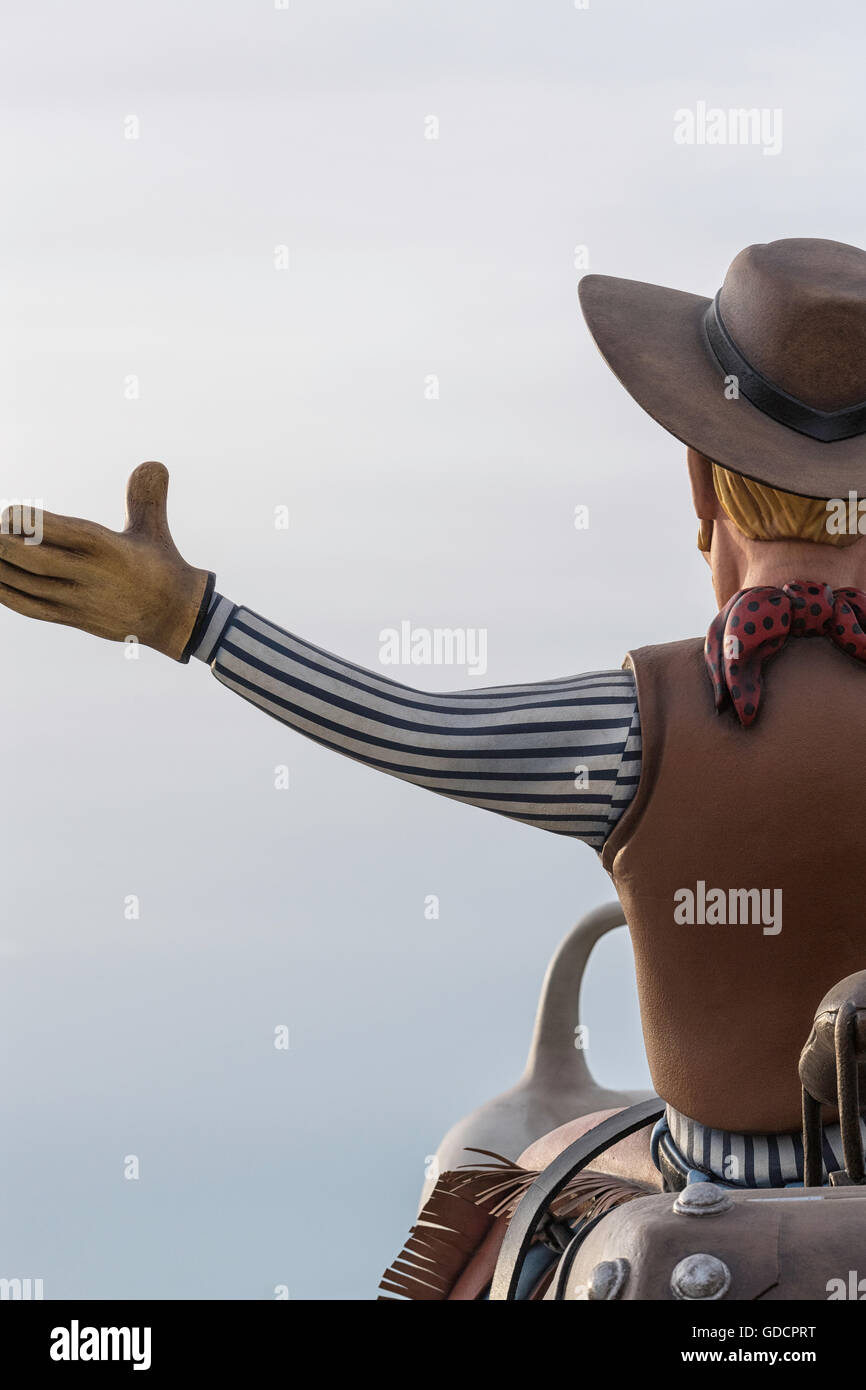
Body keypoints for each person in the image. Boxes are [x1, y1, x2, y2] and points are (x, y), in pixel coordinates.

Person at [3, 236, 866, 1213]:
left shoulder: (644, 721)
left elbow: (407, 726)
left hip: (700, 1204)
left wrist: (191, 619)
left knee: (475, 1209)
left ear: (699, 485)